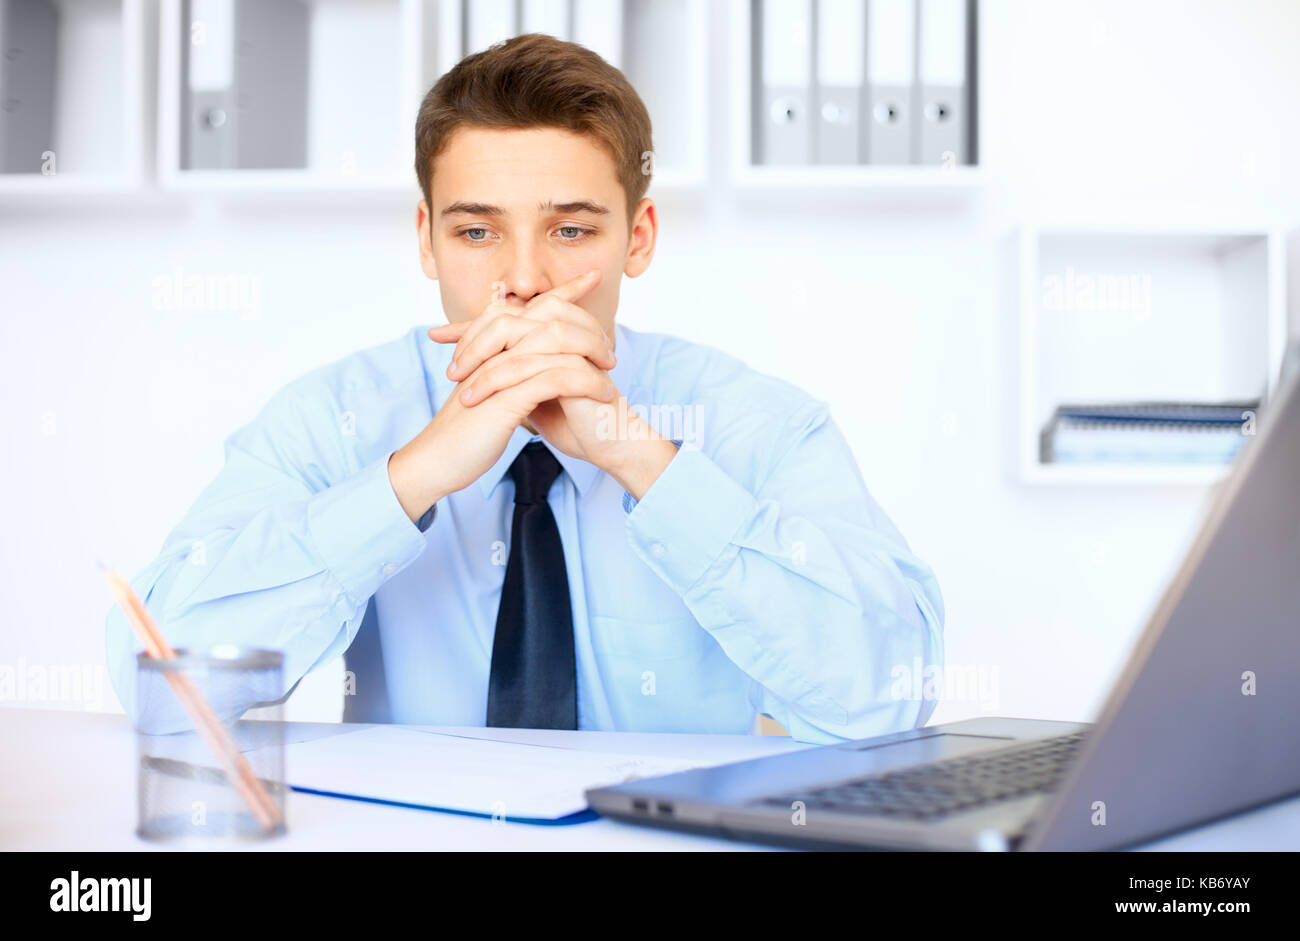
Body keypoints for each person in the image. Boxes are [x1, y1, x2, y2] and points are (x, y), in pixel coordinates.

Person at [106, 33, 944, 744]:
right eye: (476, 231)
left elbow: (887, 696)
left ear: (638, 237)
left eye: (571, 229)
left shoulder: (753, 422)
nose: (524, 280)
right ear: (427, 242)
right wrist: (412, 477)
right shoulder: (334, 417)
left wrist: (641, 458)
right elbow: (156, 684)